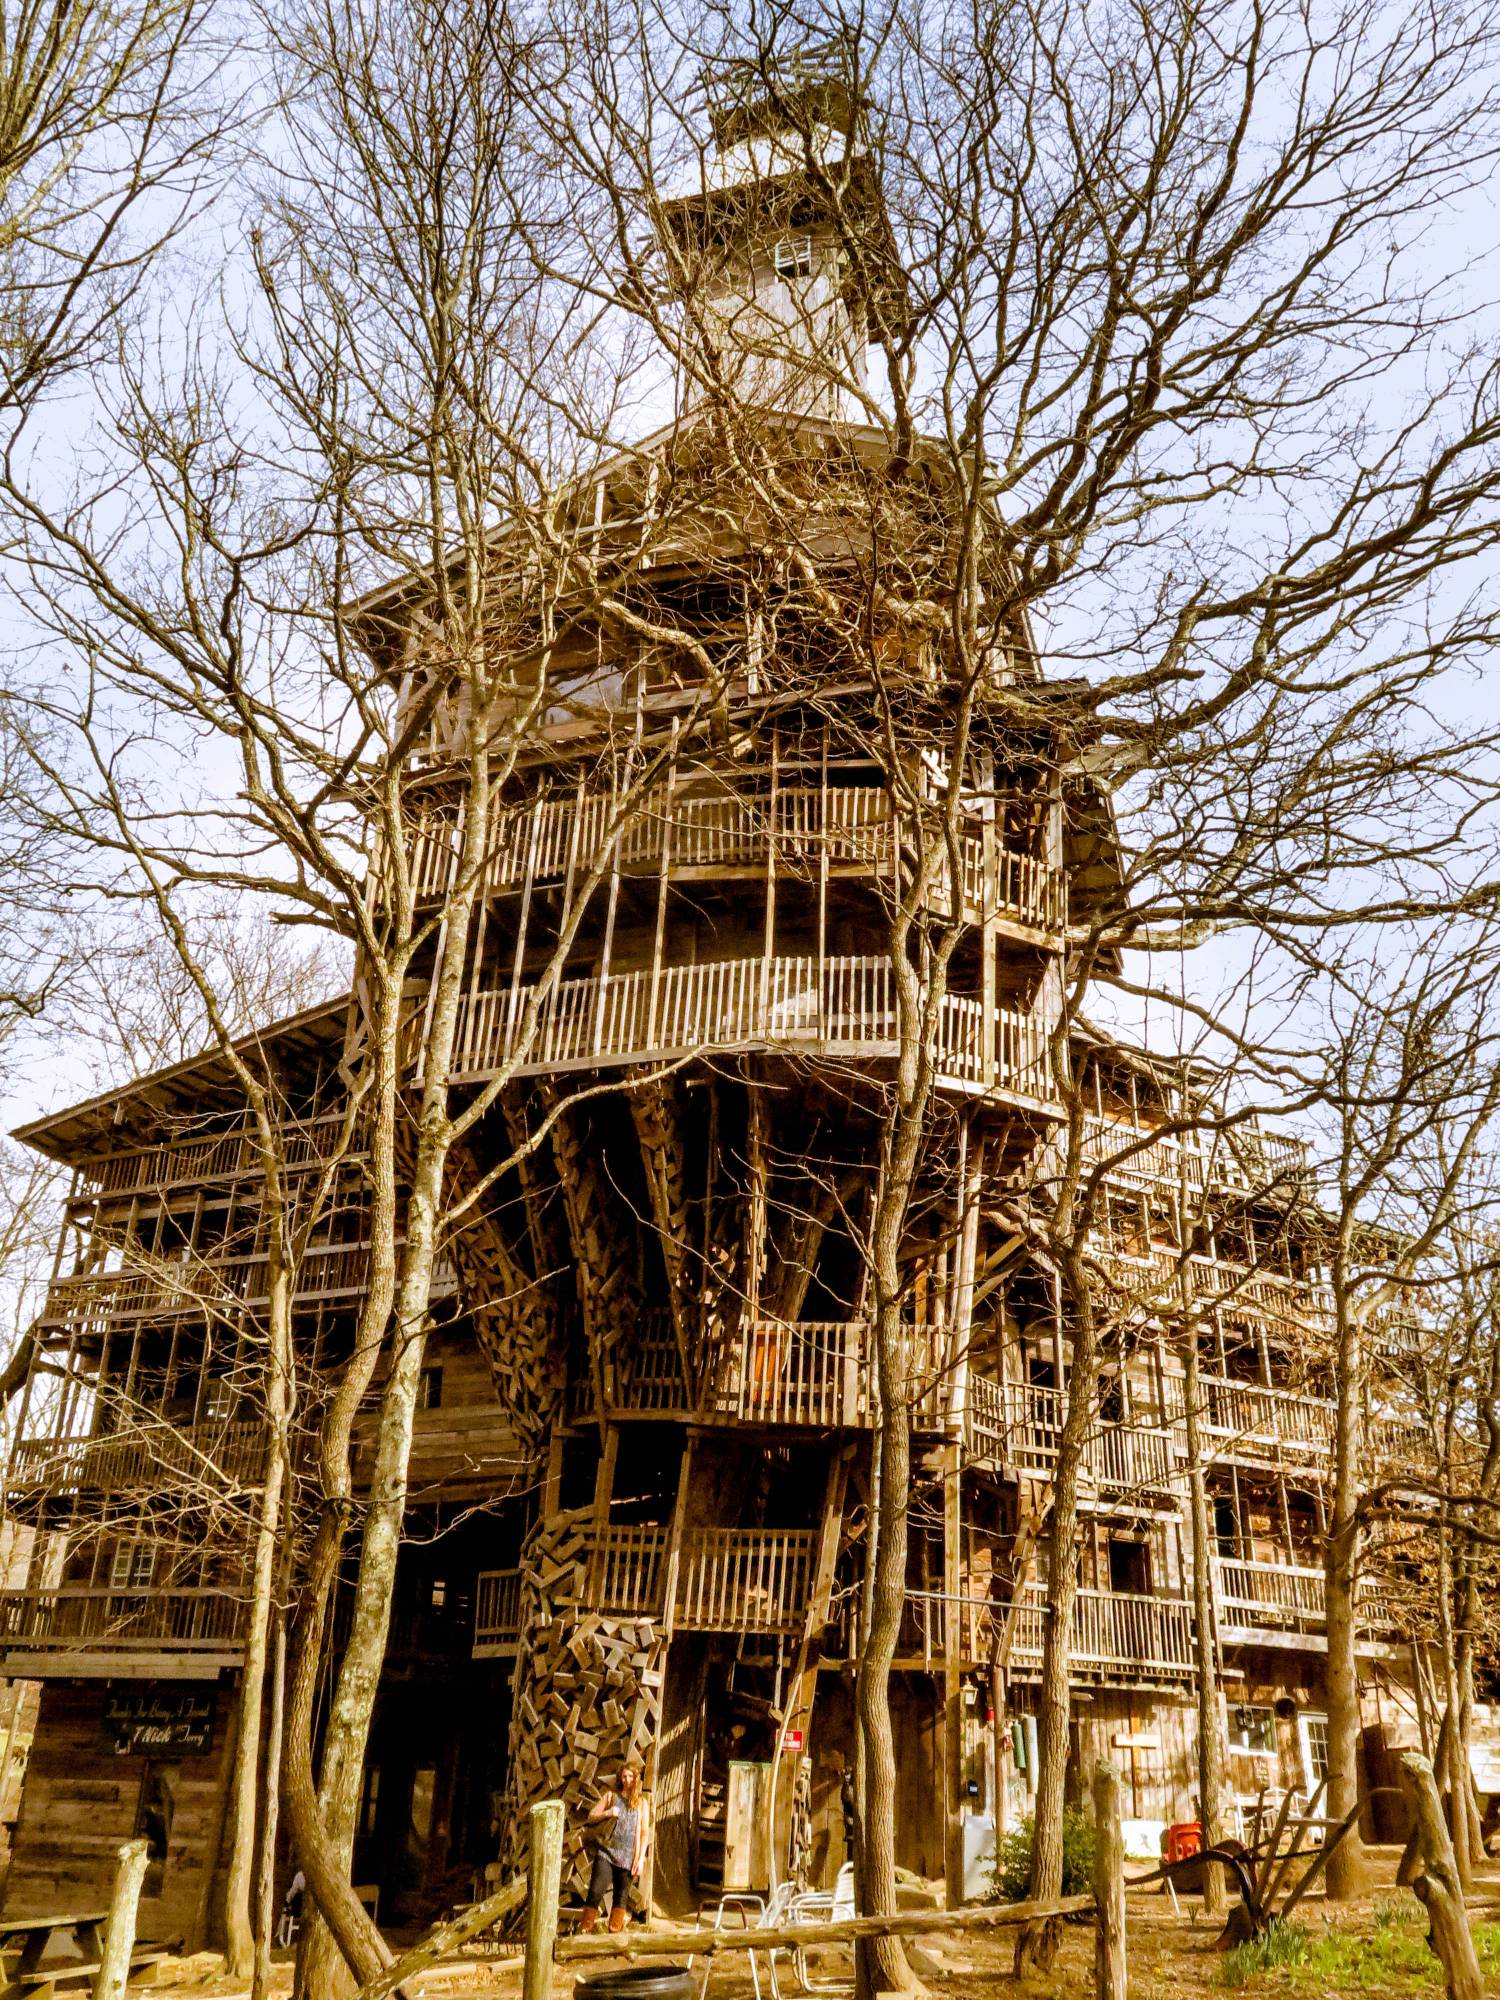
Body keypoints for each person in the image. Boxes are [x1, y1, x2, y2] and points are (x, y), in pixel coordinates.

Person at [582, 1764, 651, 1933]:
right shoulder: (611, 1796)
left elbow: (644, 1832)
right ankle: (585, 1930)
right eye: (624, 1776)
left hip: (628, 1857)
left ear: (636, 1779)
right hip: (606, 1852)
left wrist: (641, 1859)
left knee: (621, 1898)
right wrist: (607, 1813)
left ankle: (614, 1934)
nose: (627, 1780)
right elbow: (591, 1816)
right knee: (595, 1891)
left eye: (630, 1776)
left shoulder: (642, 1803)